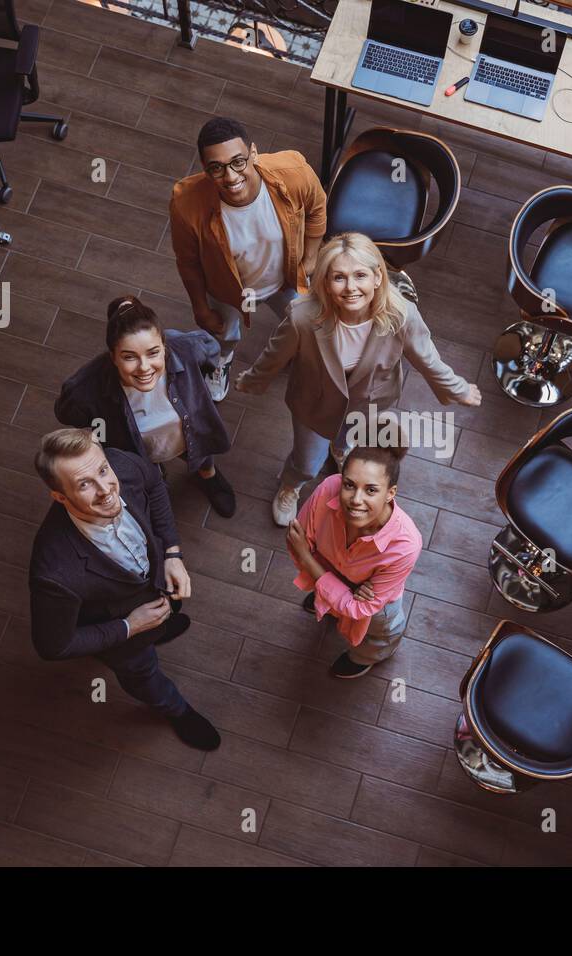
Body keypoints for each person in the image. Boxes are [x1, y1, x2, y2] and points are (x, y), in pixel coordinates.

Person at [234, 231, 481, 526]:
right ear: (325, 281)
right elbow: (274, 353)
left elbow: (428, 359)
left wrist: (458, 388)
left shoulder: (402, 315)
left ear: (377, 277)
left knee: (347, 439)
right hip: (313, 405)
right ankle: (292, 484)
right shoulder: (303, 317)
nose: (351, 287)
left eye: (360, 275)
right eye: (339, 277)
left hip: (368, 402)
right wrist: (252, 380)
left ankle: (339, 448)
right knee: (307, 462)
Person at [27, 428, 221, 751]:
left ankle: (161, 627)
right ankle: (176, 710)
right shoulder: (54, 573)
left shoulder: (119, 464)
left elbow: (155, 485)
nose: (106, 490)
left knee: (167, 612)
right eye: (84, 484)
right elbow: (53, 646)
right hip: (121, 635)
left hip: (154, 587)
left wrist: (172, 552)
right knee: (143, 673)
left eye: (102, 471)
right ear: (60, 497)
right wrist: (130, 626)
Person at [168, 115, 326, 403]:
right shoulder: (185, 204)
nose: (230, 177)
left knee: (304, 325)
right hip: (227, 290)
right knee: (223, 333)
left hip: (287, 277)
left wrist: (311, 259)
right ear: (205, 169)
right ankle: (222, 359)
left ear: (253, 153)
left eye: (238, 162)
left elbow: (317, 209)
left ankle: (292, 350)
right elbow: (188, 262)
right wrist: (200, 308)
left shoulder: (293, 172)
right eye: (216, 168)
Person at [55, 295, 236, 518]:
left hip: (186, 433)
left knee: (200, 451)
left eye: (153, 353)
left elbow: (211, 349)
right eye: (129, 357)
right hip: (138, 448)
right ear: (113, 357)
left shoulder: (185, 348)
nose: (144, 368)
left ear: (164, 346)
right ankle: (154, 478)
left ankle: (208, 475)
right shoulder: (88, 386)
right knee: (146, 472)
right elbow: (66, 410)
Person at [286, 443, 421, 679]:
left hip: (378, 607)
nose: (355, 500)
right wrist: (346, 590)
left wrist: (311, 561)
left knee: (381, 633)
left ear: (390, 493)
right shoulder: (329, 487)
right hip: (342, 580)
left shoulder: (406, 545)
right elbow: (296, 542)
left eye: (371, 490)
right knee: (333, 598)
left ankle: (366, 656)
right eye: (349, 485)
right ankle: (328, 601)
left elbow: (361, 609)